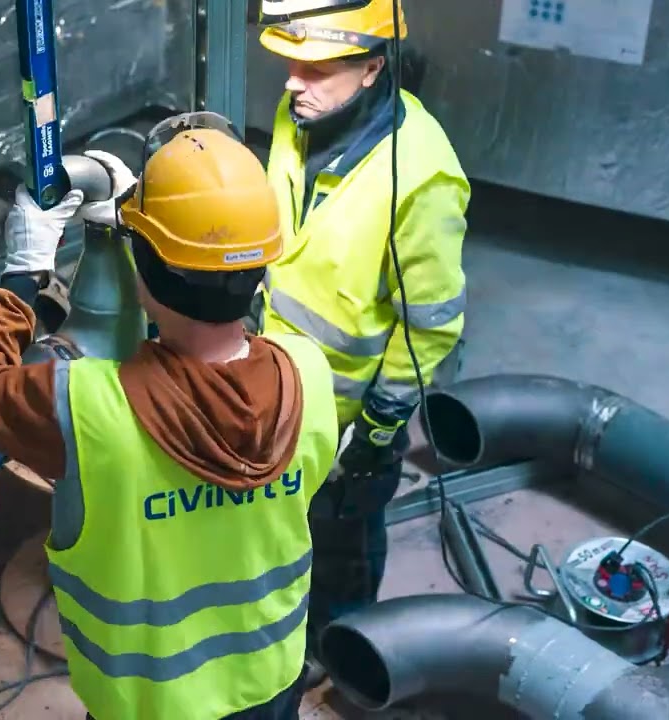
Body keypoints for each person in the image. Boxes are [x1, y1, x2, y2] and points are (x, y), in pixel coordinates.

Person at [0, 114, 341, 720]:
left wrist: (23, 273)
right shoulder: (309, 371)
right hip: (270, 673)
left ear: (146, 273)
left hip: (146, 702)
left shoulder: (84, 404)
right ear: (259, 271)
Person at [255, 0, 471, 683]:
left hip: (348, 411)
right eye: (291, 61)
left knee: (343, 535)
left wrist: (379, 427)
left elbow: (430, 324)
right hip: (272, 379)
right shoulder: (302, 116)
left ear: (374, 65)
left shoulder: (422, 176)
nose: (294, 81)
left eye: (316, 67)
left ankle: (335, 646)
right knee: (276, 521)